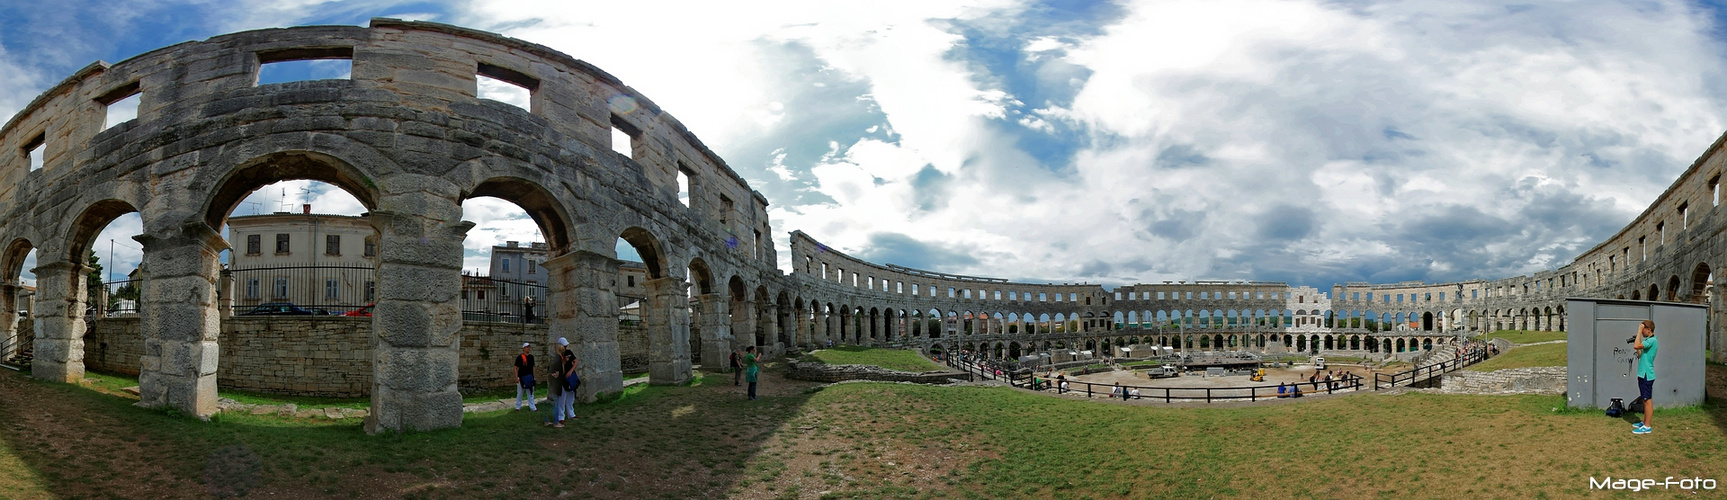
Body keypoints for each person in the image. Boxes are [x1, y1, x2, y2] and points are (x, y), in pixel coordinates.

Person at [1633, 320, 1658, 435]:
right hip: (1643, 374)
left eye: (1643, 329)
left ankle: (1647, 426)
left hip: (1647, 375)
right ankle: (1644, 422)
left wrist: (1638, 332)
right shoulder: (1648, 341)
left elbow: (1636, 345)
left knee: (1647, 400)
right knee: (1644, 399)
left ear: (1648, 329)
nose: (1641, 332)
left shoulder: (1652, 341)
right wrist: (1638, 346)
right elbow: (1640, 355)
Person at [546, 337, 578, 427]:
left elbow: (575, 362)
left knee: (571, 395)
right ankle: (561, 416)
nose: (565, 346)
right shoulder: (558, 356)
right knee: (562, 397)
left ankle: (571, 413)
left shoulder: (569, 352)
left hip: (570, 377)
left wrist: (570, 371)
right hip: (562, 378)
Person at [513, 342, 538, 411]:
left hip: (530, 377)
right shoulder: (520, 357)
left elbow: (533, 367)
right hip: (521, 377)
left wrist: (534, 377)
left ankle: (532, 407)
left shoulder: (531, 357)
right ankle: (518, 407)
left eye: (529, 347)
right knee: (520, 393)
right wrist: (516, 377)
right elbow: (515, 367)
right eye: (527, 347)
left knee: (530, 393)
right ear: (523, 348)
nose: (528, 348)